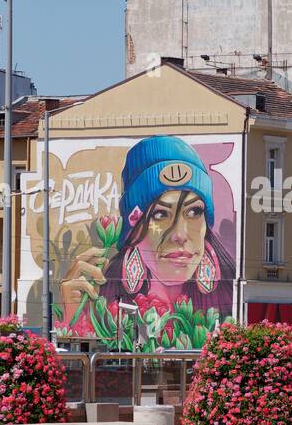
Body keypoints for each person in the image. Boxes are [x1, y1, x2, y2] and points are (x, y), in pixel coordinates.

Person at [59, 136, 234, 338]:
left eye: (194, 212)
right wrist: (74, 315)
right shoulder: (105, 300)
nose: (179, 235)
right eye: (160, 214)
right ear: (133, 229)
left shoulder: (231, 299)